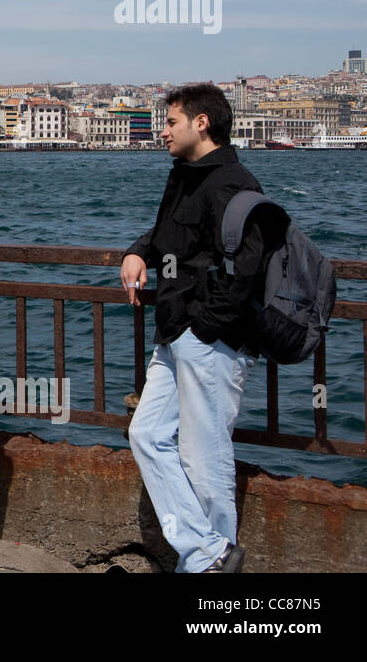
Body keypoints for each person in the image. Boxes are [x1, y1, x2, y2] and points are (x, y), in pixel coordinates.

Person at [121, 83, 266, 573]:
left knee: (205, 456)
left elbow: (250, 267)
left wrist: (204, 327)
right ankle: (208, 554)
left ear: (201, 123)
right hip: (175, 329)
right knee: (147, 435)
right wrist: (139, 250)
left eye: (171, 121)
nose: (163, 131)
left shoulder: (232, 182)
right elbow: (168, 234)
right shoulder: (184, 175)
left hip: (206, 337)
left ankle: (208, 562)